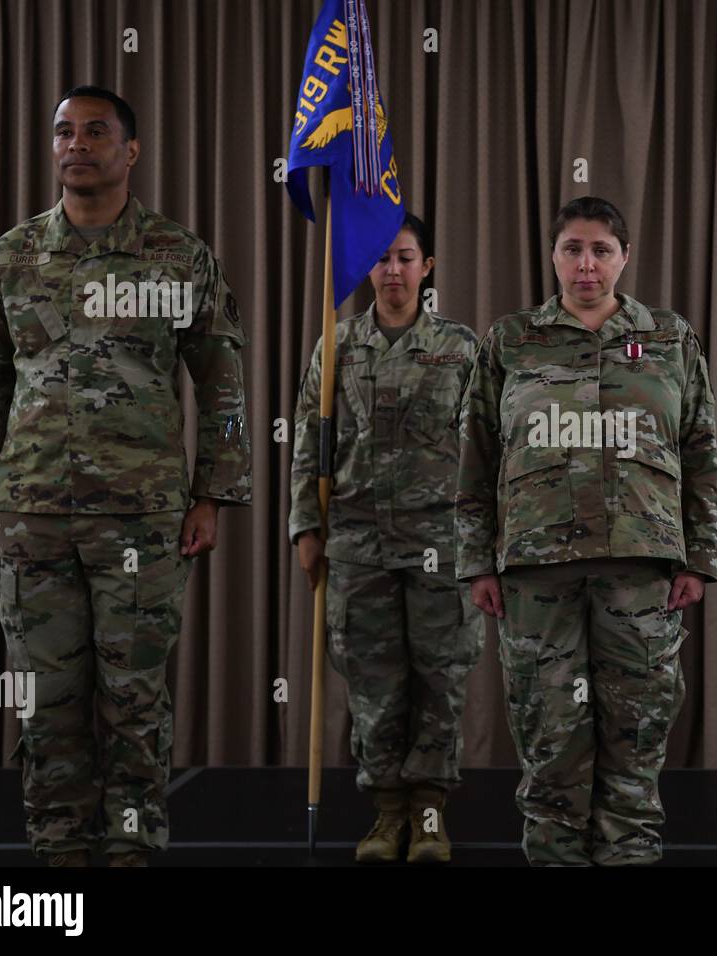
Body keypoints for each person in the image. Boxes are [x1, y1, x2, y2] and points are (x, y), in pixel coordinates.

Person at [0, 86, 252, 866]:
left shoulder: (178, 256)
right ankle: (59, 863)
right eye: (64, 133)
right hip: (30, 515)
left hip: (141, 520)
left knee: (133, 703)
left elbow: (221, 383)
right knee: (47, 707)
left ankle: (132, 852)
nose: (77, 145)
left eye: (96, 132)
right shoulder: (10, 256)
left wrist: (212, 494)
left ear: (131, 150)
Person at [456, 196, 717, 865]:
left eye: (601, 249)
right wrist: (477, 562)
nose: (586, 263)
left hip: (641, 566)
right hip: (536, 570)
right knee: (551, 743)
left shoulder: (668, 338)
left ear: (624, 257)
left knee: (634, 741)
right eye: (572, 248)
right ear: (553, 256)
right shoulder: (511, 340)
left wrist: (700, 556)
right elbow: (477, 453)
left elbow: (701, 449)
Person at [289, 213, 482, 864]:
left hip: (441, 544)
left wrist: (487, 542)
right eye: (381, 259)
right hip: (357, 541)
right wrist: (304, 527)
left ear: (427, 267)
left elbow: (488, 452)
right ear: (366, 267)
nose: (392, 271)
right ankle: (387, 814)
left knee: (439, 679)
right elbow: (310, 449)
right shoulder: (335, 346)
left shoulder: (460, 348)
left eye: (405, 258)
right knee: (373, 682)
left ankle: (429, 814)